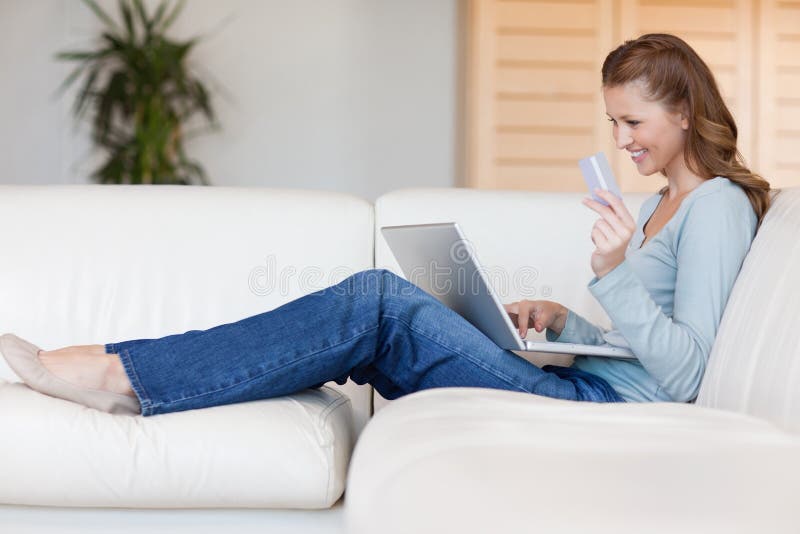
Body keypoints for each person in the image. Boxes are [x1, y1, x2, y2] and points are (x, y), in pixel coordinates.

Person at [0, 33, 771, 416]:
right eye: (612, 123)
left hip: (602, 414)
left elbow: (686, 378)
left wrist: (612, 277)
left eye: (633, 121)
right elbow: (643, 346)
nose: (621, 141)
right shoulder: (658, 205)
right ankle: (123, 363)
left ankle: (122, 378)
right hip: (581, 382)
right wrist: (572, 320)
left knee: (376, 301)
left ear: (683, 110)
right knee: (374, 319)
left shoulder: (717, 207)